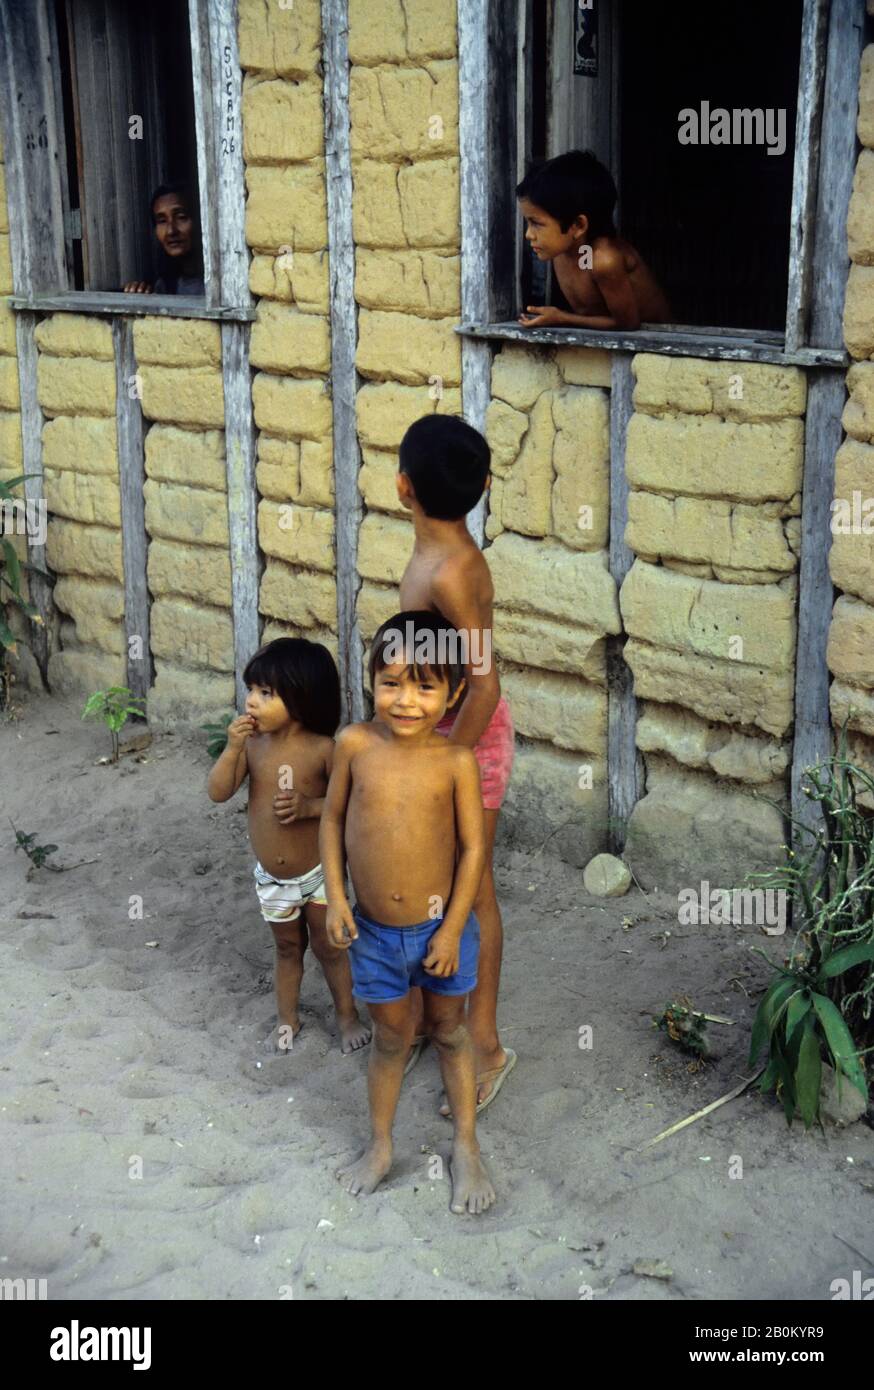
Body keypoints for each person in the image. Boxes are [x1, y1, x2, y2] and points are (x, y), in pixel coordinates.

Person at [320, 613, 495, 1214]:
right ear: (370, 680)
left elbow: (474, 849)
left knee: (449, 1031)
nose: (406, 700)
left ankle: (466, 1145)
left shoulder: (455, 762)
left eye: (425, 686)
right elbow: (333, 820)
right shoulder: (354, 745)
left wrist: (450, 929)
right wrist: (337, 897)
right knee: (391, 1039)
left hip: (440, 932)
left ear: (452, 693)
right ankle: (380, 1145)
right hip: (371, 933)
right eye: (391, 682)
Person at [397, 414, 517, 1116]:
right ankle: (425, 1019)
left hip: (468, 739)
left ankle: (488, 1047)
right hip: (435, 733)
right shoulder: (437, 556)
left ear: (402, 487)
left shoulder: (451, 572)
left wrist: (447, 760)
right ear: (484, 487)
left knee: (473, 891)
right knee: (424, 879)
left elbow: (486, 681)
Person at [207, 637, 370, 1055]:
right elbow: (218, 792)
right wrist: (231, 748)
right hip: (273, 879)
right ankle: (287, 1018)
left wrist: (308, 806)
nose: (252, 702)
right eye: (251, 690)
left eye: (266, 693)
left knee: (329, 949)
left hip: (317, 875)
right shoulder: (253, 746)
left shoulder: (323, 749)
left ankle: (347, 1016)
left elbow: (348, 805)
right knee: (287, 948)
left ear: (300, 698)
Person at [516, 149, 670, 331]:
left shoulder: (603, 260)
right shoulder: (567, 252)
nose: (528, 234)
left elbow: (628, 323)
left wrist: (562, 318)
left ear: (578, 225)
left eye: (537, 224)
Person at [123, 182, 205, 296]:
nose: (171, 231)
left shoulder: (224, 283)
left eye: (181, 217)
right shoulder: (163, 286)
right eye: (162, 221)